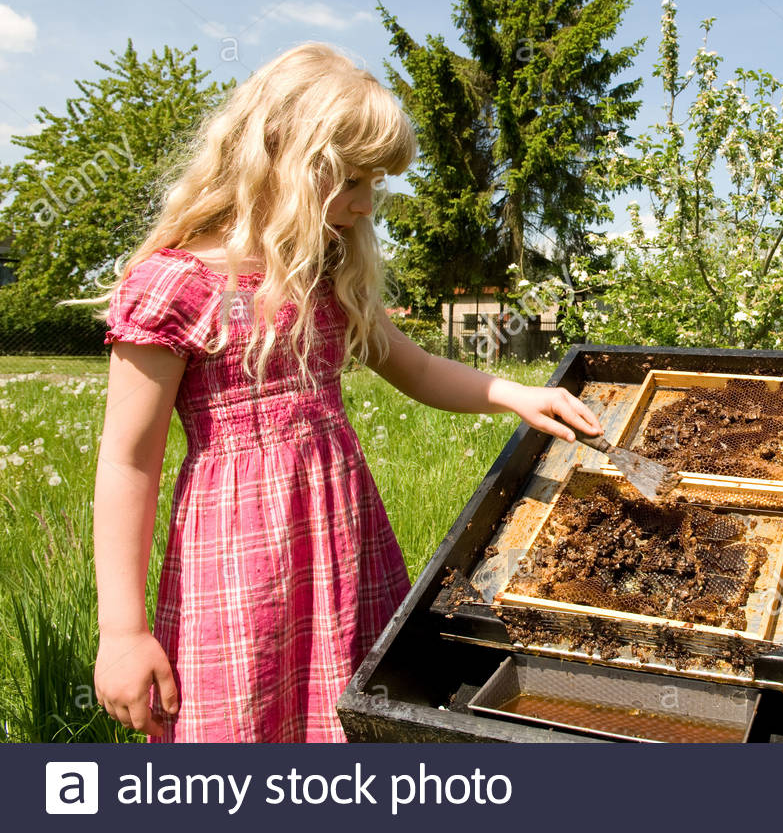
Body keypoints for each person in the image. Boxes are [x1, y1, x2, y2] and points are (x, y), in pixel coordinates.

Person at [88, 43, 602, 742]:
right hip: (239, 565)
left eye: (375, 184)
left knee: (352, 719)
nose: (365, 206)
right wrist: (121, 629)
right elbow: (128, 460)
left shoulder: (326, 278)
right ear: (283, 156)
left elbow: (415, 367)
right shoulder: (176, 285)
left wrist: (513, 393)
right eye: (352, 179)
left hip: (345, 550)